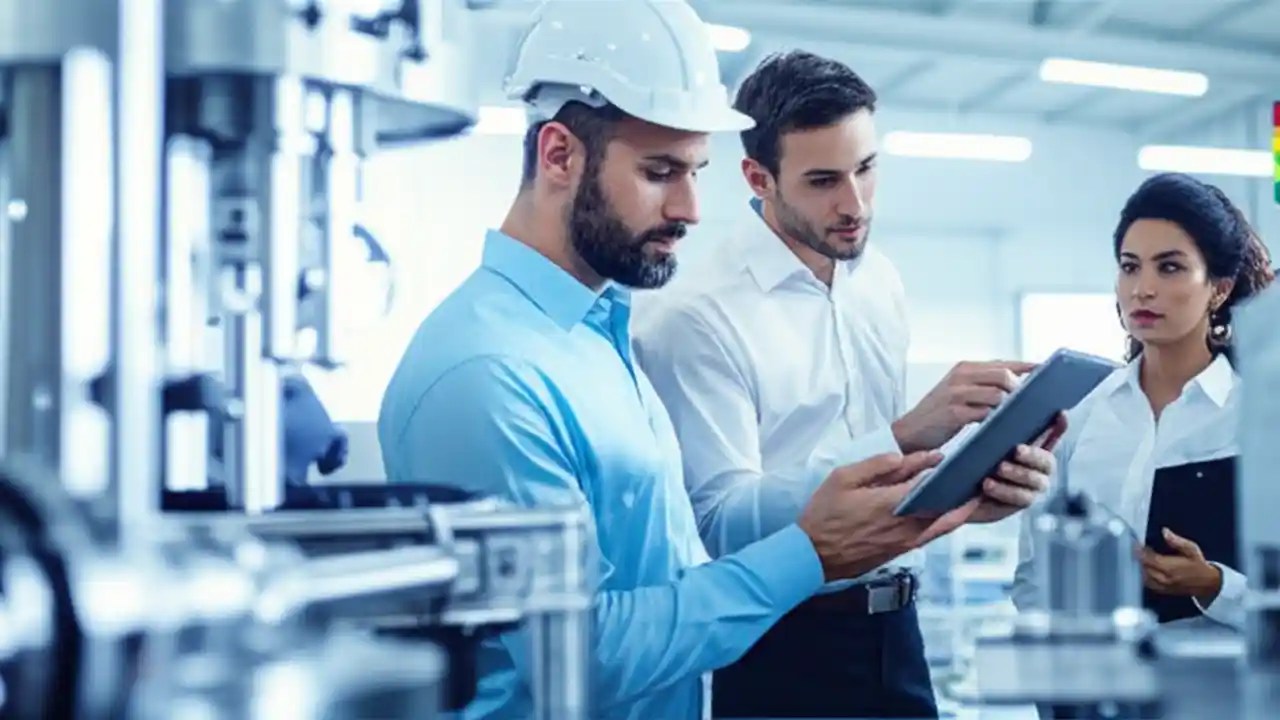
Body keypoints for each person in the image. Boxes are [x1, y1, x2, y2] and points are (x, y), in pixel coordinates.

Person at [378, 5, 1047, 720]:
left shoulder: (593, 337)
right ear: (560, 156)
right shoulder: (488, 374)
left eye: (695, 171)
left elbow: (672, 578)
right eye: (660, 172)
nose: (692, 208)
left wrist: (936, 498)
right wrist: (809, 555)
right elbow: (573, 656)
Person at [630, 50, 1062, 719]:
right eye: (824, 181)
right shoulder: (695, 317)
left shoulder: (877, 279)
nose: (854, 203)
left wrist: (971, 493)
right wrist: (905, 434)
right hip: (781, 647)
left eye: (866, 168)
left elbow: (881, 493)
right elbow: (718, 527)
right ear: (758, 177)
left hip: (898, 634)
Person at [1012, 172, 1276, 631]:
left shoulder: (1258, 416)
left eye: (1169, 267)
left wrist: (1216, 586)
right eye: (1130, 266)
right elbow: (1034, 576)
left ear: (1219, 288)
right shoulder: (1078, 414)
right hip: (1095, 666)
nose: (1142, 289)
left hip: (1225, 670)